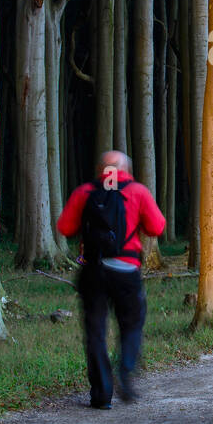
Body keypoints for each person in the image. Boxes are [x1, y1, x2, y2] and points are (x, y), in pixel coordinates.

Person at [56, 150, 166, 410]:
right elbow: (157, 226)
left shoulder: (85, 192)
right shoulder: (137, 191)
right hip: (126, 271)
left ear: (100, 169)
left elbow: (65, 227)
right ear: (126, 168)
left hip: (93, 270)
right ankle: (126, 370)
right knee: (131, 323)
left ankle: (101, 394)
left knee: (95, 331)